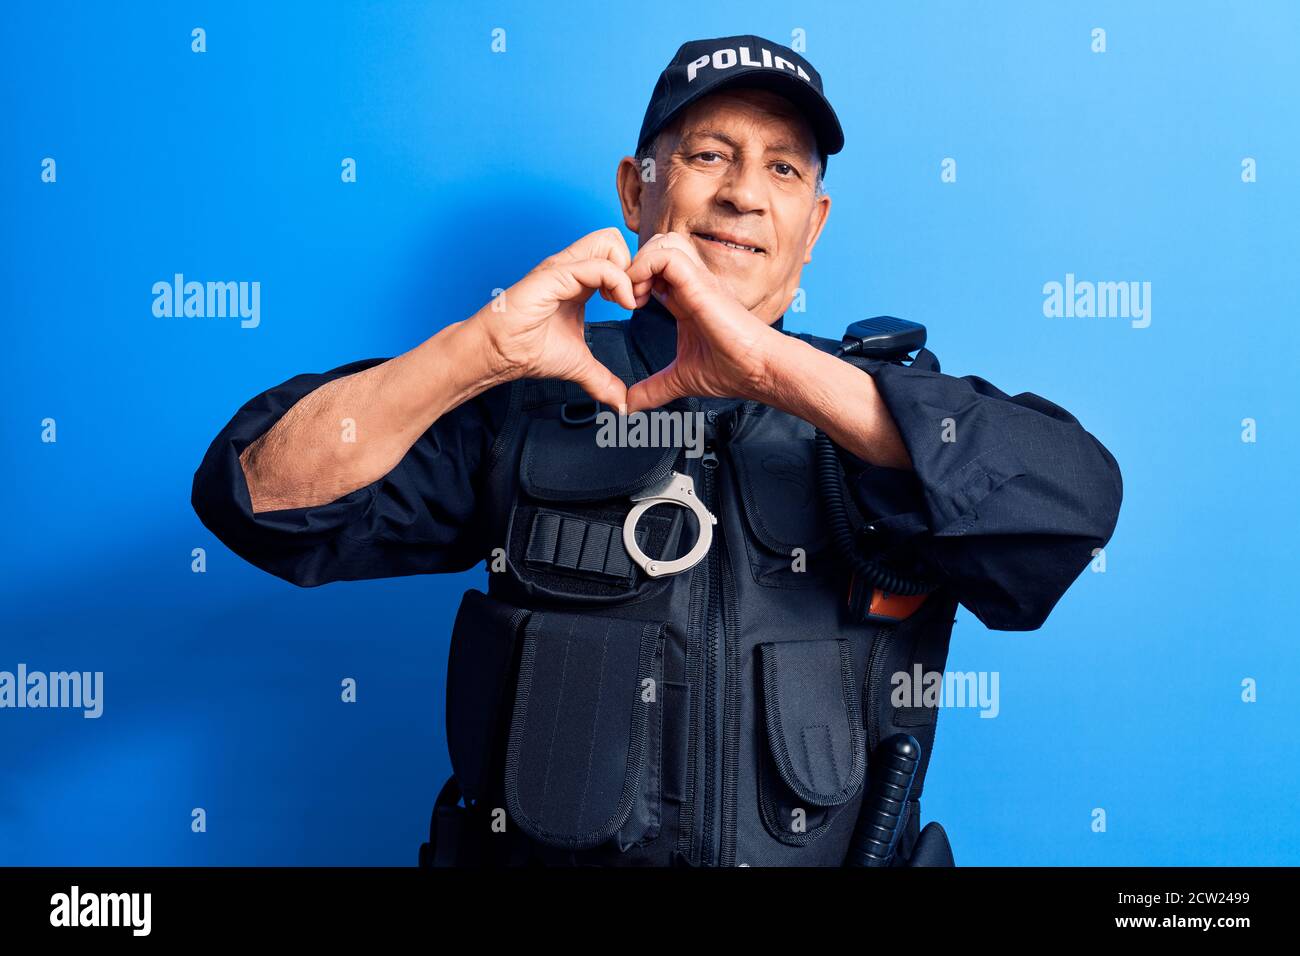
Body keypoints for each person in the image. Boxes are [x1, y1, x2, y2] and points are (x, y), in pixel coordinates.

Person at [192, 35, 1122, 867]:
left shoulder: (883, 410)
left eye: (784, 170)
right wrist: (477, 352)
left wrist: (774, 369)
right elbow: (261, 495)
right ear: (639, 189)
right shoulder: (527, 393)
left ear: (816, 227)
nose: (744, 193)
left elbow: (1072, 512)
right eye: (709, 155)